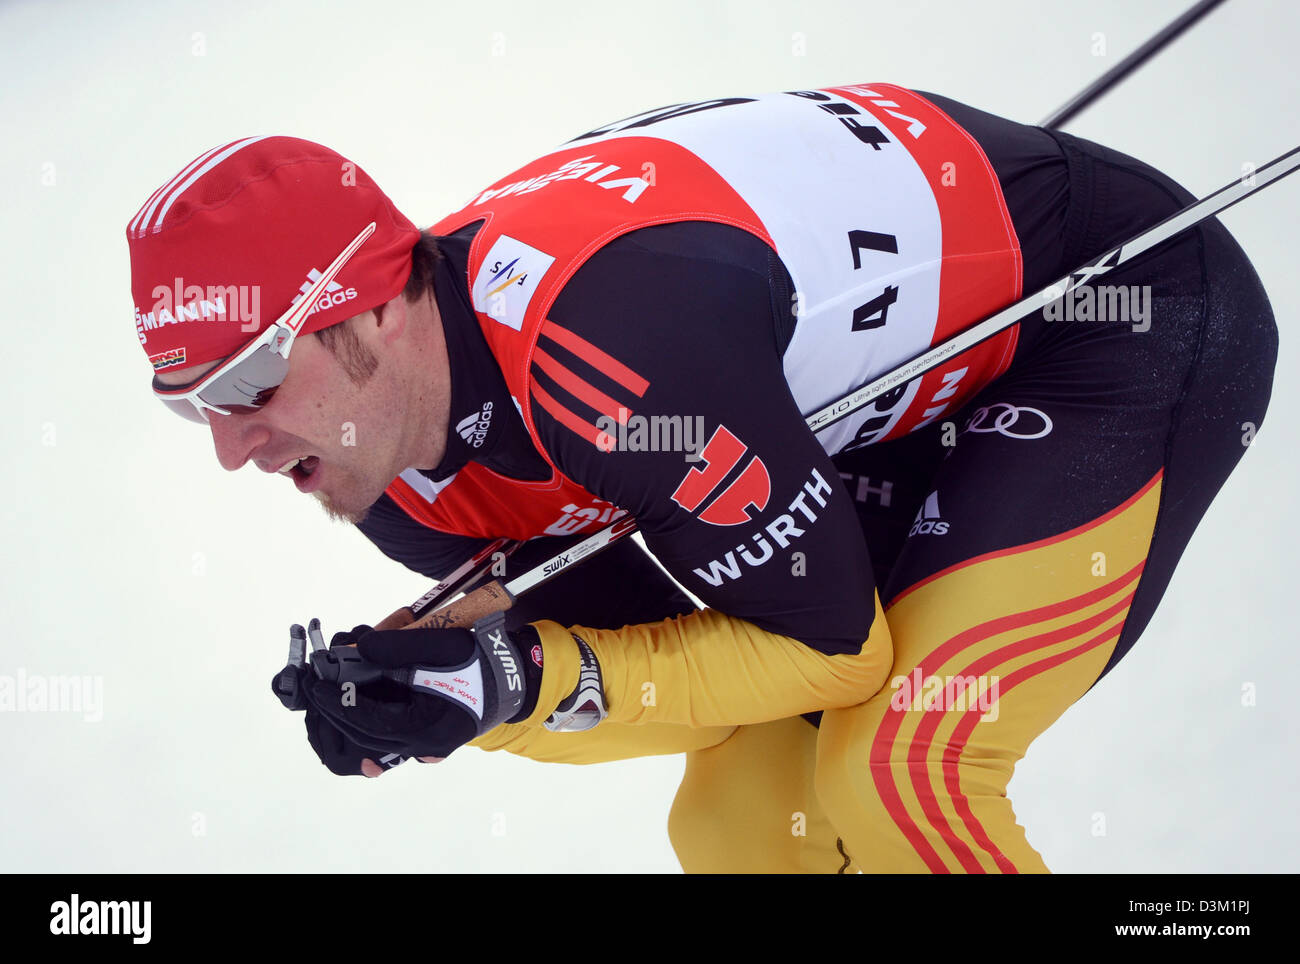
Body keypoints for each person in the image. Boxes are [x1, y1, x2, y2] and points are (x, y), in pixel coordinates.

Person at [126, 82, 1278, 872]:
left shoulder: (606, 362)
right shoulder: (397, 476)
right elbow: (699, 666)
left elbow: (830, 652)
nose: (230, 446)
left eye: (246, 385)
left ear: (366, 311)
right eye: (187, 404)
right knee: (741, 827)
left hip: (1110, 313)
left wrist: (513, 678)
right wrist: (475, 689)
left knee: (900, 763)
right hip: (873, 402)